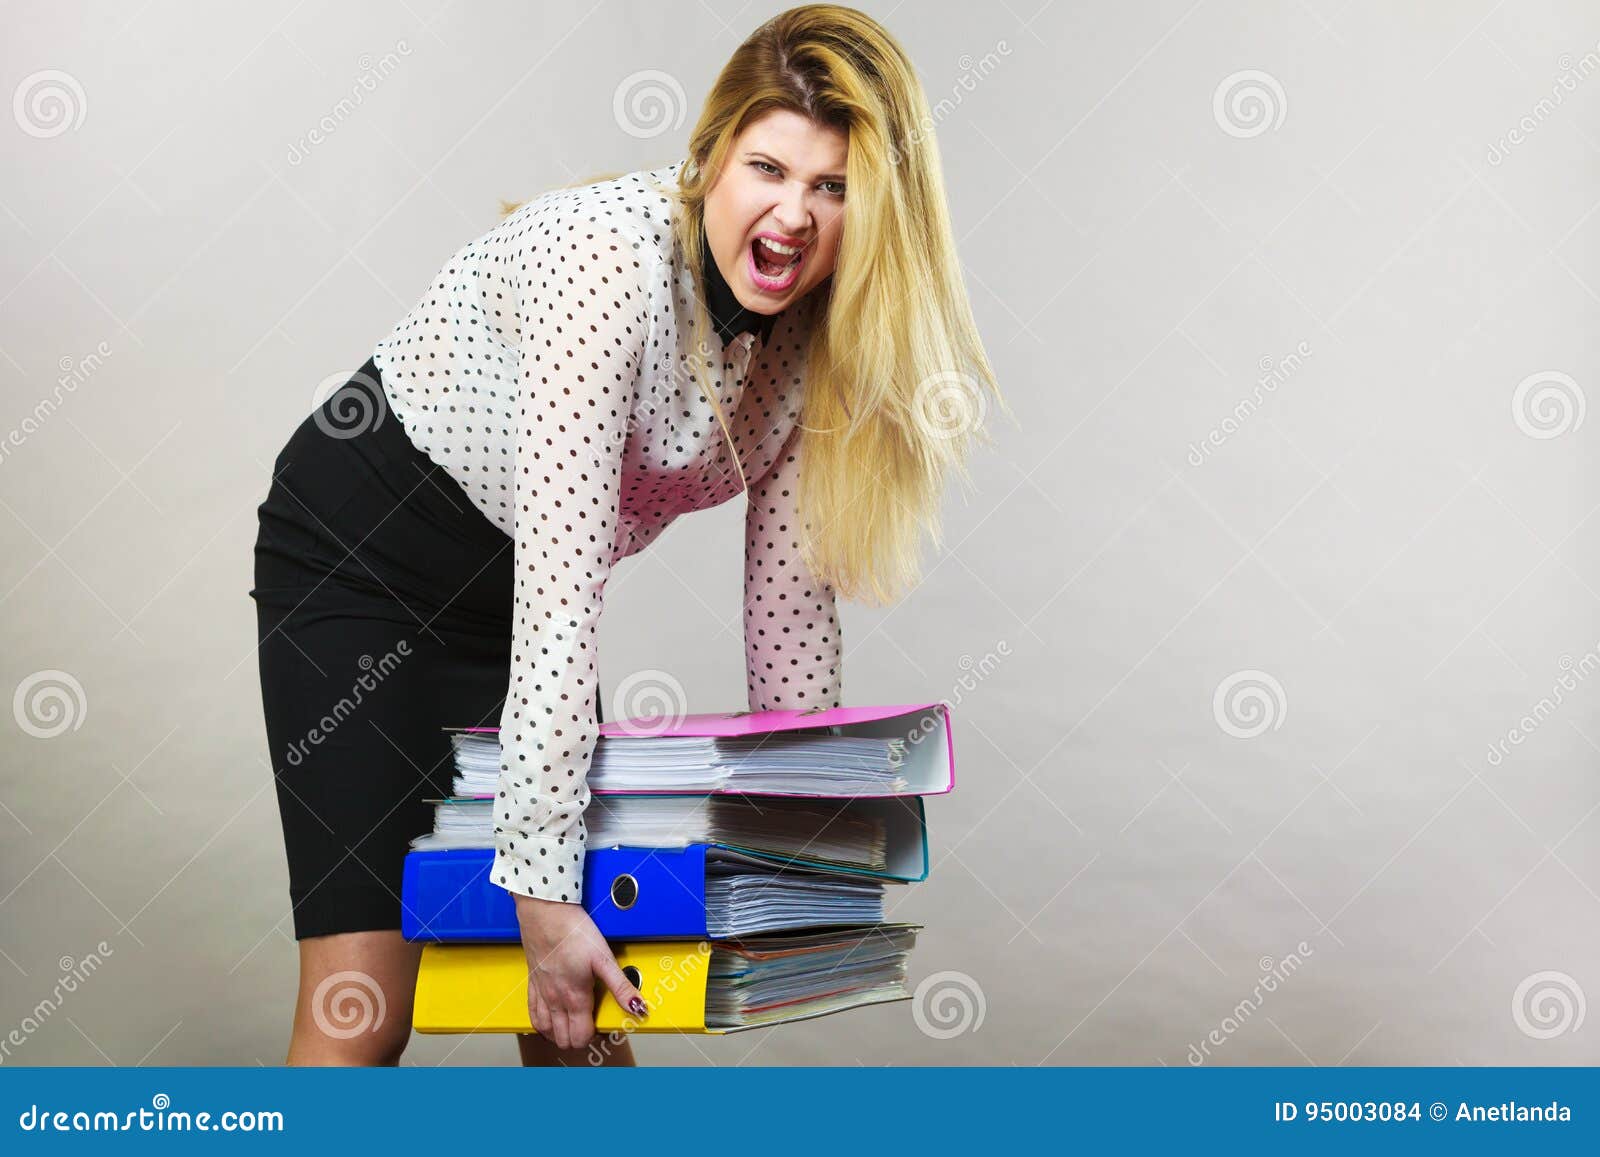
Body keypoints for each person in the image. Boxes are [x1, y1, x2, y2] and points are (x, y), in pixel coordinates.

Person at [248, 2, 1003, 1066]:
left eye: (833, 187)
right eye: (768, 169)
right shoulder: (606, 268)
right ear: (709, 159)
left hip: (517, 603)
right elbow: (562, 604)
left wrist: (798, 876)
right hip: (364, 560)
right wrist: (544, 898)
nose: (794, 214)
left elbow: (788, 615)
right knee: (367, 1004)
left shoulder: (811, 343)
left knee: (586, 1024)